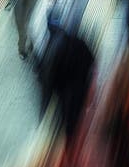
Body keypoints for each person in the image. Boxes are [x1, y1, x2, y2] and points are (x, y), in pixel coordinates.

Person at [39, 13, 95, 143]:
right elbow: (92, 61)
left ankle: (70, 140)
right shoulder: (78, 42)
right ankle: (74, 136)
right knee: (75, 115)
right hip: (80, 88)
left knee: (67, 119)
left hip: (65, 93)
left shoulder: (51, 52)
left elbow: (49, 77)